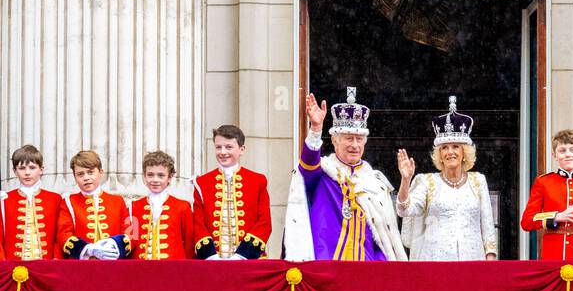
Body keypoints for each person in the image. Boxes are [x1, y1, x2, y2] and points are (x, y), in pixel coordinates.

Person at [283, 88, 407, 261]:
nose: (355, 145)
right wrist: (316, 130)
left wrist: (382, 267)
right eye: (349, 138)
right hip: (327, 263)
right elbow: (308, 166)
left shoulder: (374, 182)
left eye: (359, 139)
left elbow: (383, 236)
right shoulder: (323, 173)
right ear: (335, 141)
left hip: (366, 268)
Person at [396, 96, 497, 261]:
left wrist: (490, 258)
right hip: (434, 264)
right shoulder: (427, 182)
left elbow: (487, 226)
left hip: (472, 262)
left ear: (464, 152)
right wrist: (405, 180)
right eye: (445, 148)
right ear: (440, 155)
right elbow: (404, 210)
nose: (450, 152)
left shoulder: (478, 181)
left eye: (456, 146)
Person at [519, 129, 573, 261]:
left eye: (572, 150)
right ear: (554, 155)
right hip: (552, 255)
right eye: (562, 150)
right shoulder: (543, 182)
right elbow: (527, 221)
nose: (568, 154)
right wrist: (556, 216)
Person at [194, 124, 271, 259]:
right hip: (212, 261)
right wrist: (210, 255)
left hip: (248, 260)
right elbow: (197, 223)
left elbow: (264, 222)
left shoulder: (257, 180)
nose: (223, 152)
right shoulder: (201, 183)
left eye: (229, 147)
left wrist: (242, 255)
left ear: (241, 149)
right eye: (218, 147)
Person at [58, 150, 131, 259]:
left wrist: (114, 244)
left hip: (113, 265)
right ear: (75, 177)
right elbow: (63, 234)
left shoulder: (118, 201)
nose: (86, 177)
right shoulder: (68, 202)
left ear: (101, 173)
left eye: (90, 172)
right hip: (81, 266)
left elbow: (131, 232)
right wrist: (86, 249)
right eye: (80, 174)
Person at [1, 144, 64, 261]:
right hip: (12, 268)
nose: (27, 173)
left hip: (47, 267)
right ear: (15, 171)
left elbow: (58, 237)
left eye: (32, 167)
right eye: (22, 168)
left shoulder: (55, 199)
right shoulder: (4, 200)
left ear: (41, 170)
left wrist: (56, 261)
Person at [129, 151, 195, 260]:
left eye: (161, 175)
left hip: (173, 271)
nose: (155, 180)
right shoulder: (133, 207)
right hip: (140, 271)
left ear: (169, 177)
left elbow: (189, 244)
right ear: (144, 176)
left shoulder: (183, 207)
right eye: (150, 175)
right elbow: (131, 241)